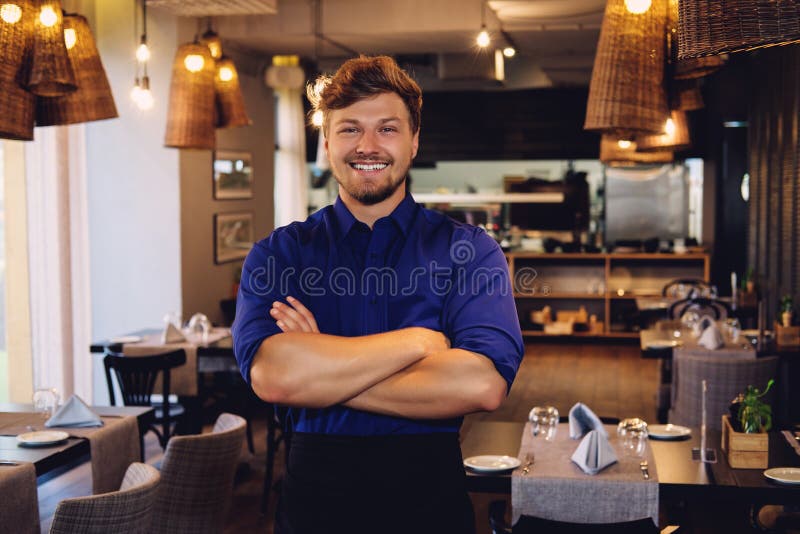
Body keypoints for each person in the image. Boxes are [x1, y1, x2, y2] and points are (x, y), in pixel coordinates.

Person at [232, 55, 524, 534]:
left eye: (387, 128)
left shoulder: (470, 251)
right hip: (314, 500)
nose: (367, 146)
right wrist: (419, 343)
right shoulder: (279, 255)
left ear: (414, 141)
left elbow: (482, 385)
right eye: (349, 129)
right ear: (326, 143)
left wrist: (322, 375)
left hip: (429, 496)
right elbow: (274, 378)